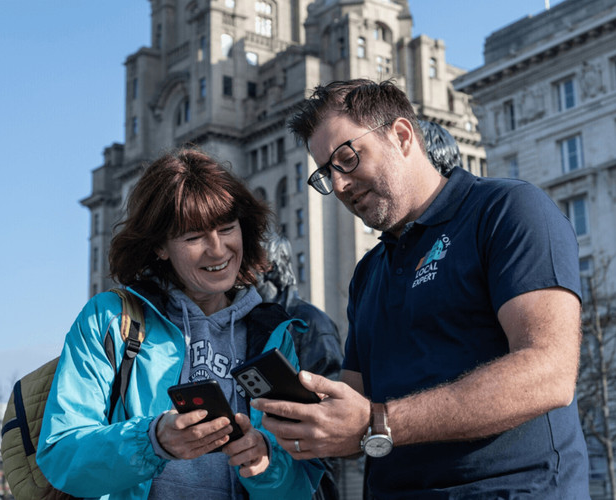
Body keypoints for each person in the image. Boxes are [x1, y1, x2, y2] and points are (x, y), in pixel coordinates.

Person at [252, 79, 591, 498]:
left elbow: (549, 373)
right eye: (326, 174)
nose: (338, 186)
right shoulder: (369, 272)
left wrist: (380, 422)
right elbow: (353, 410)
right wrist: (283, 432)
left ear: (401, 135)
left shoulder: (508, 210)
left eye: (346, 158)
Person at [37, 149, 323, 500]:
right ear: (160, 246)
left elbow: (300, 485)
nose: (218, 250)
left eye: (227, 228)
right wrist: (153, 440)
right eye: (193, 237)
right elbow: (60, 454)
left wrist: (266, 463)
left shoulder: (274, 335)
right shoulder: (110, 318)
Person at [256, 232, 344, 500]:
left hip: (304, 477)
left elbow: (332, 415)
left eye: (247, 259)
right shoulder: (252, 321)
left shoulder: (311, 323)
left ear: (268, 266)